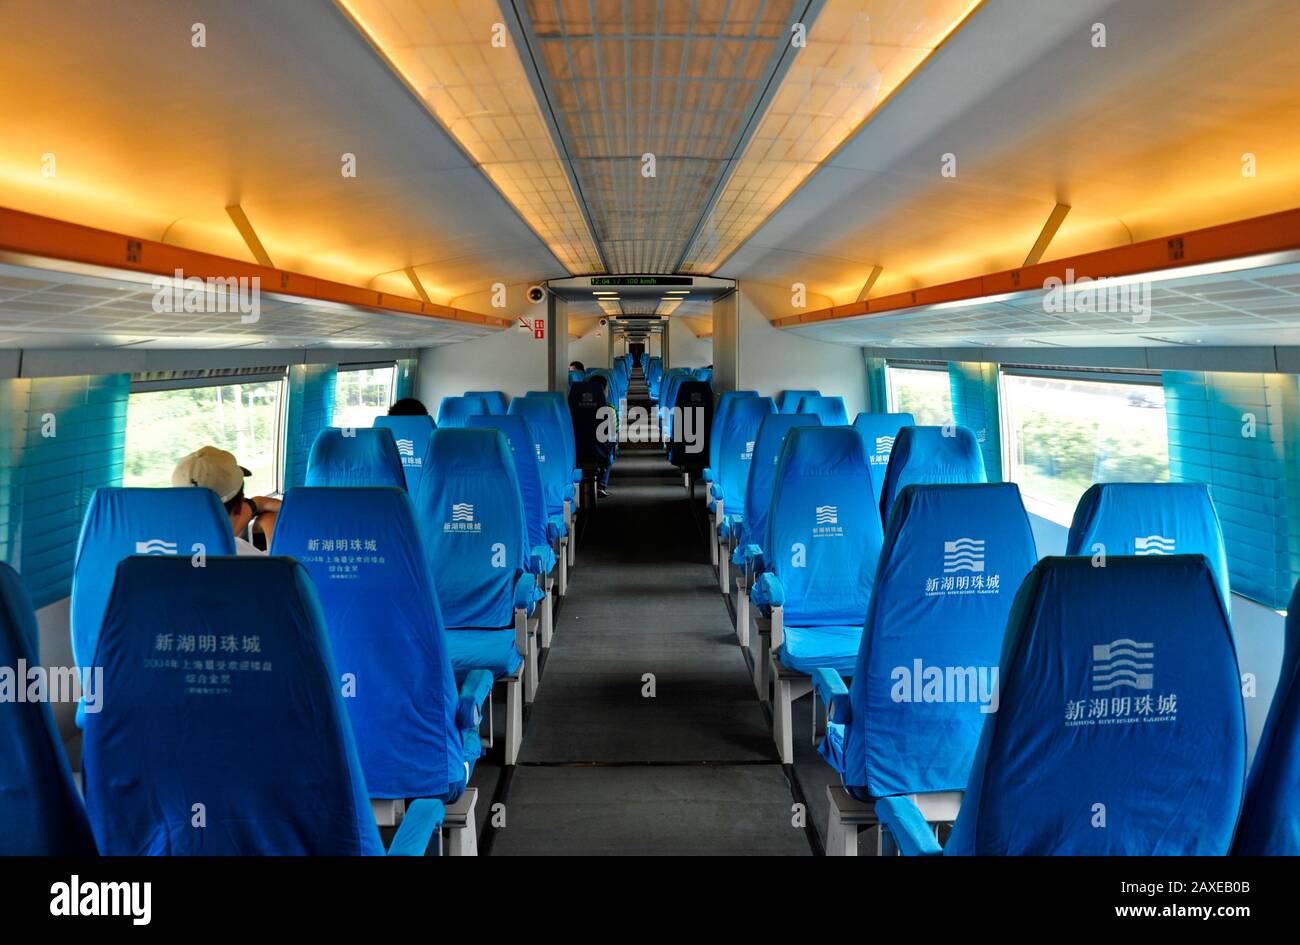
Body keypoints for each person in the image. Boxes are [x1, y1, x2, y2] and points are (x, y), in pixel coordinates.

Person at [172, 446, 281, 555]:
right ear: (239, 506)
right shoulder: (241, 556)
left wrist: (256, 504)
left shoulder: (162, 543)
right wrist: (271, 522)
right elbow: (281, 565)